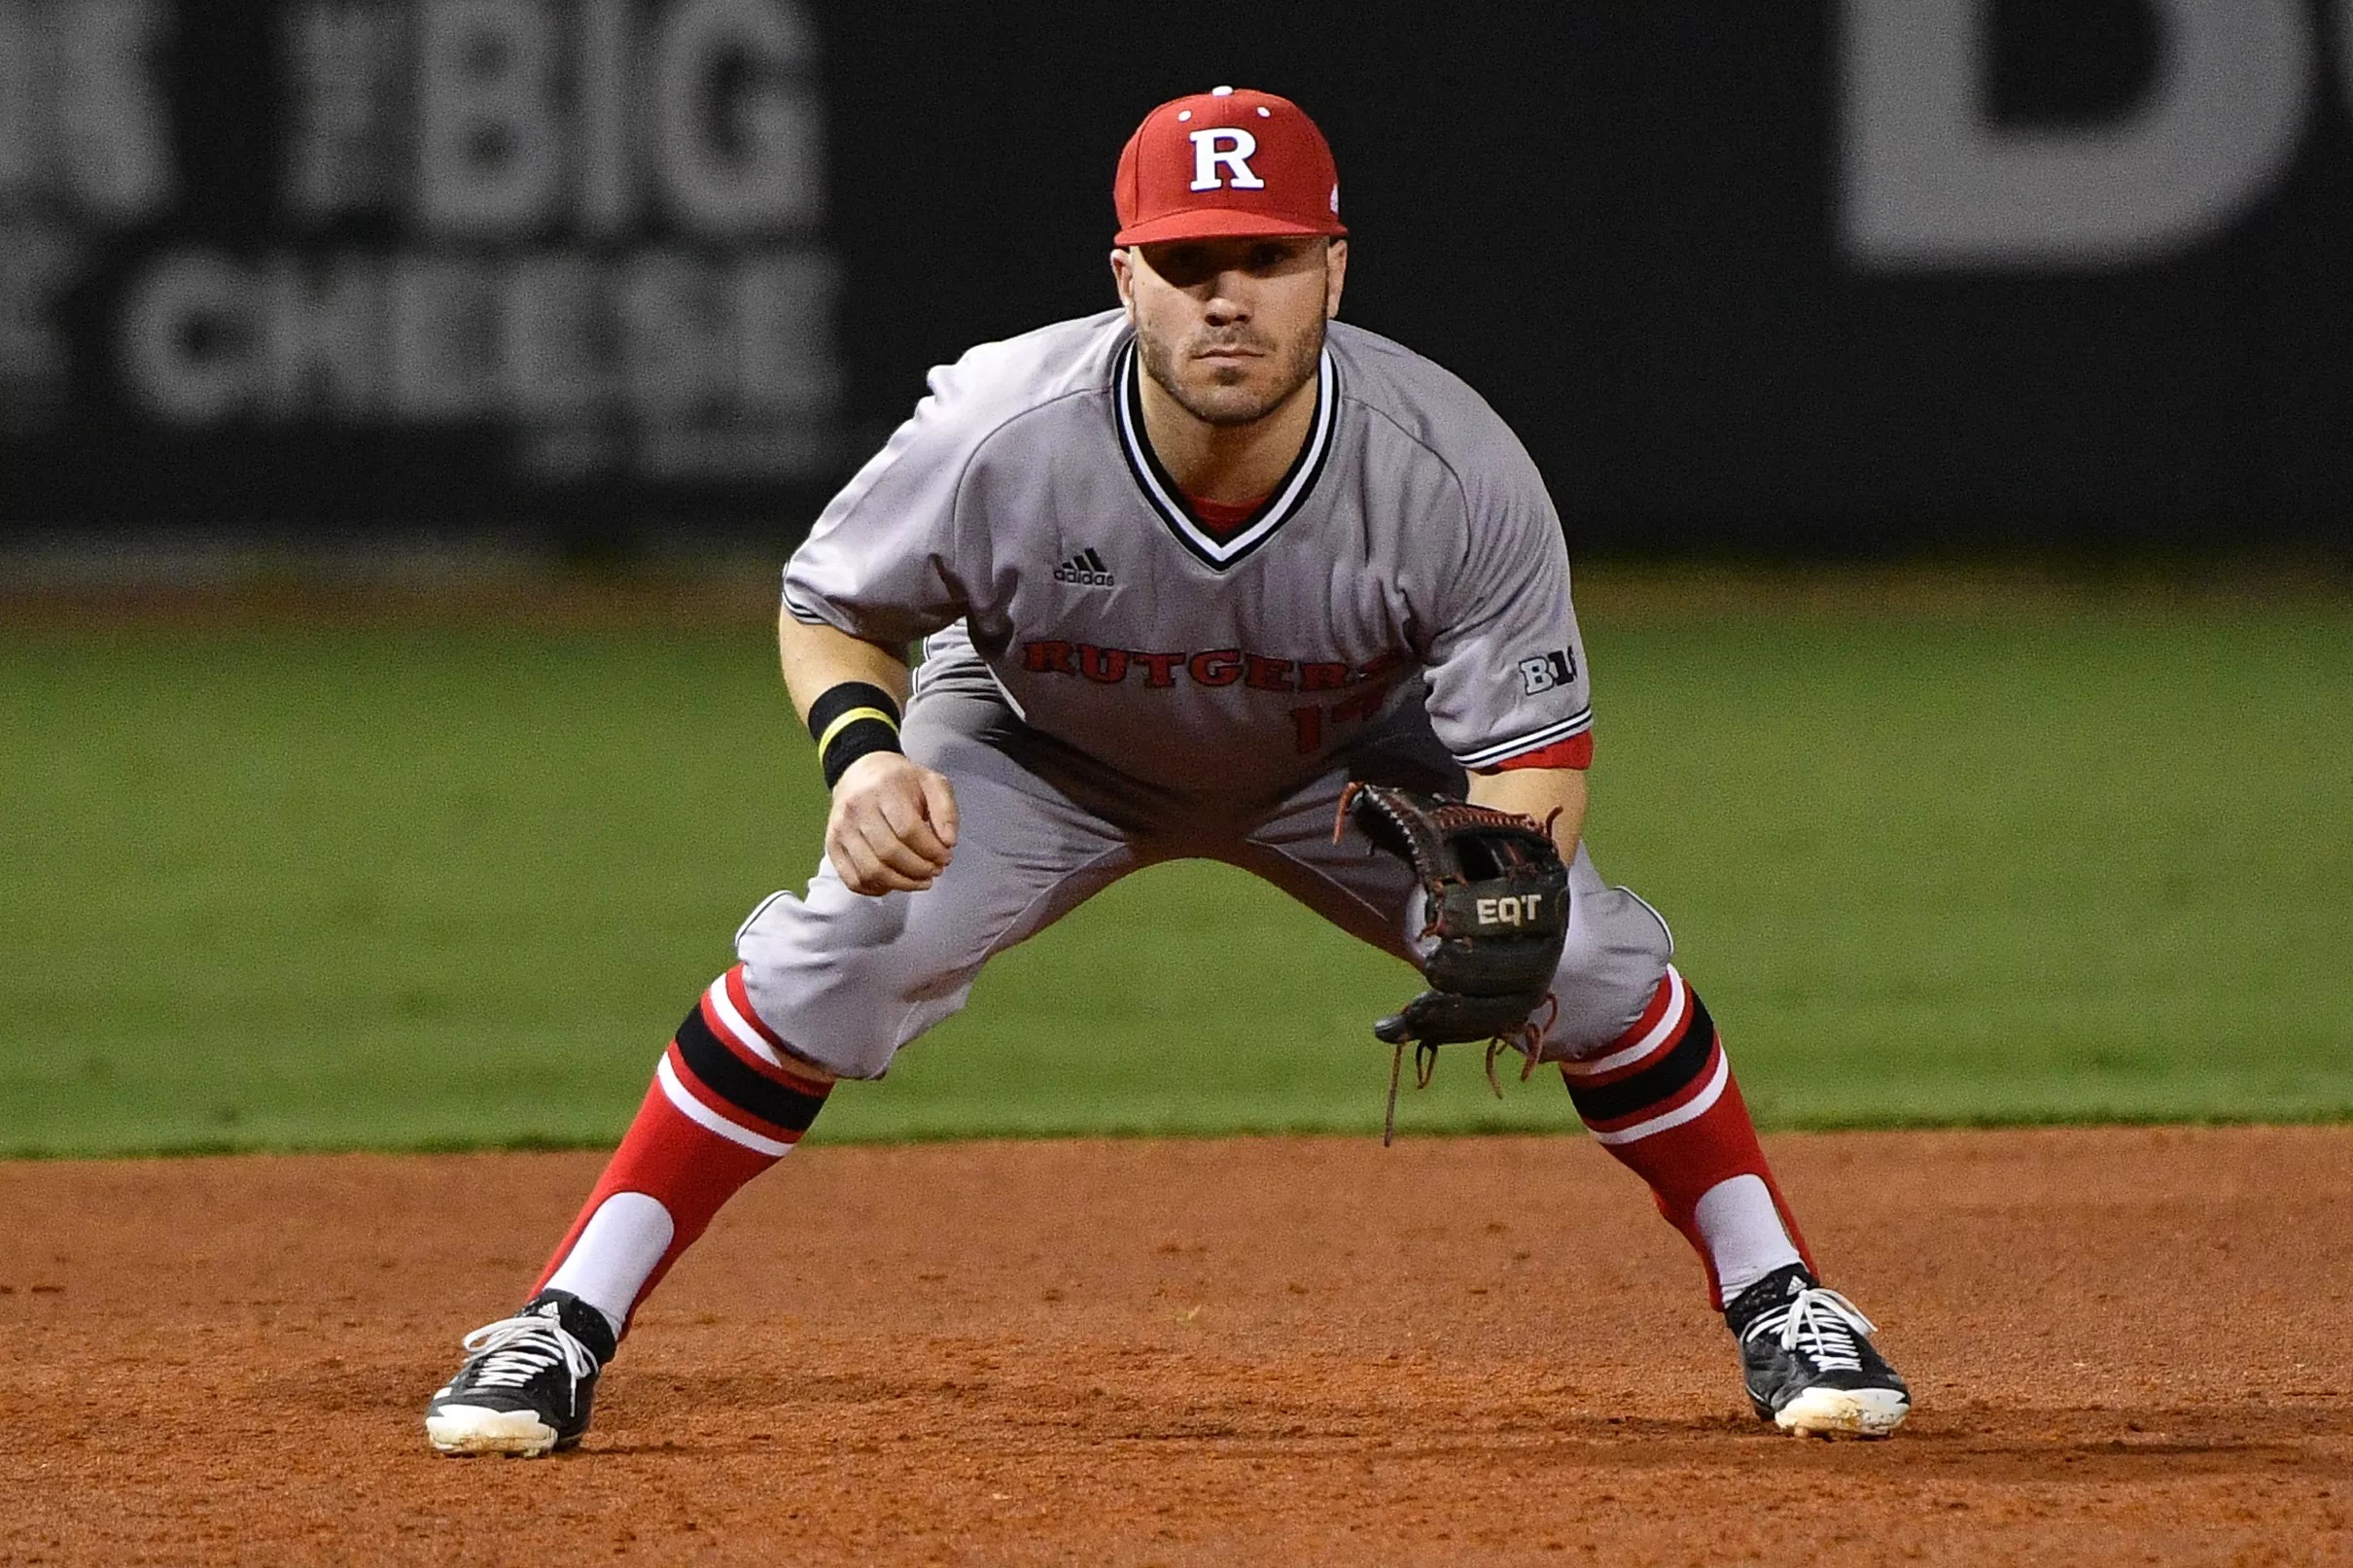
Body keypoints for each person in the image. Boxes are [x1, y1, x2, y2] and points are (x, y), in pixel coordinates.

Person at [424, 86, 1911, 1457]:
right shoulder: (1000, 426)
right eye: (1187, 258)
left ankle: (1782, 1294)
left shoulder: (1451, 467)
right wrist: (862, 759)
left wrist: (1506, 894)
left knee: (1579, 954)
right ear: (1123, 275)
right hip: (1035, 741)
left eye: (1263, 254)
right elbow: (832, 606)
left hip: (1345, 762)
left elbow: (1531, 751)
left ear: (1335, 267)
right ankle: (561, 1317)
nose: (1225, 295)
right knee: (844, 949)